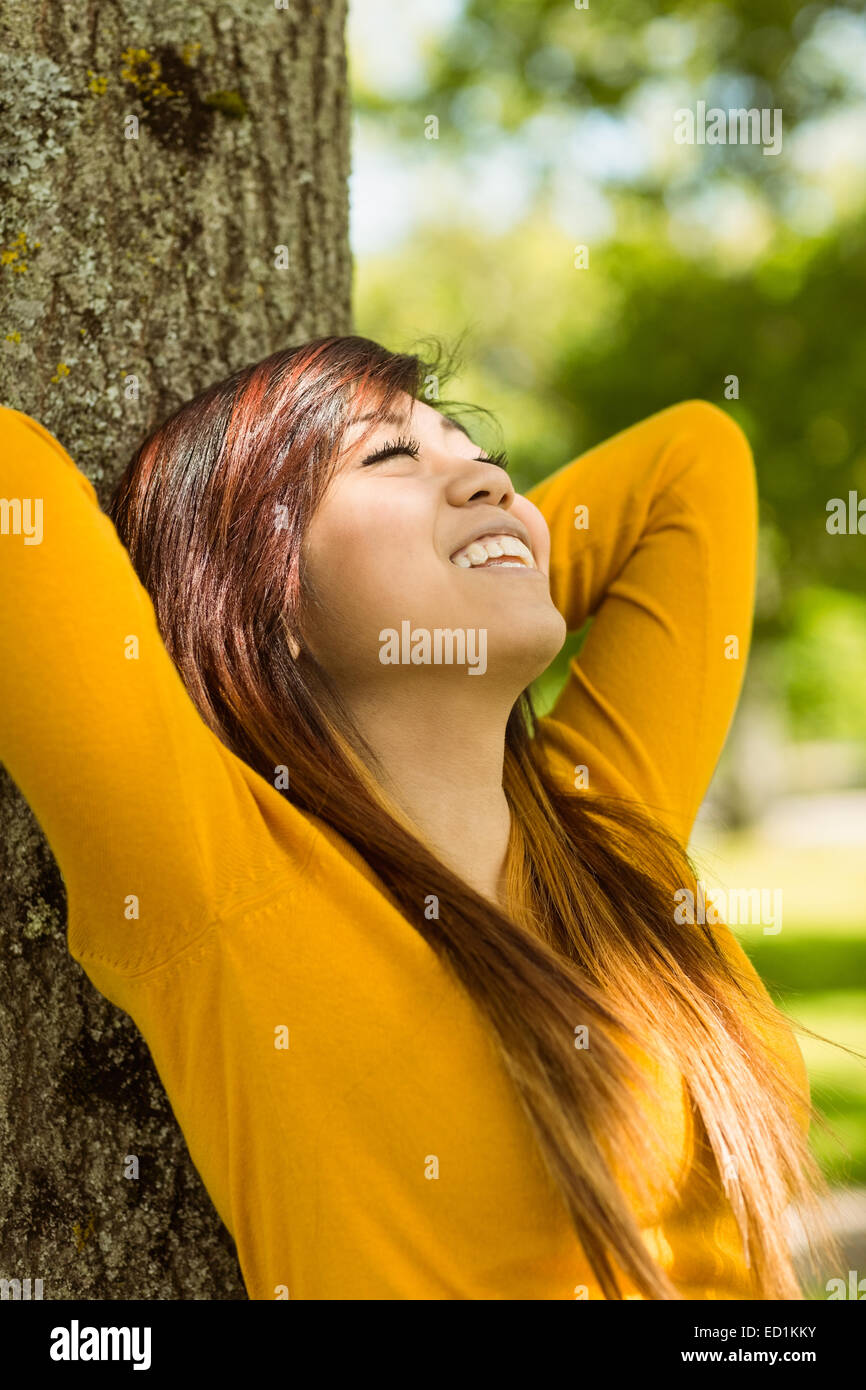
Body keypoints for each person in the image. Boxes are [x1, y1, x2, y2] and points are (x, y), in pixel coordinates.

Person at [0, 335, 834, 1299]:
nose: (486, 475)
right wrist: (431, 590)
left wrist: (478, 564)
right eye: (389, 457)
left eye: (477, 451)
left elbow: (694, 462)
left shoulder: (600, 833)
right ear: (266, 599)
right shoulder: (222, 882)